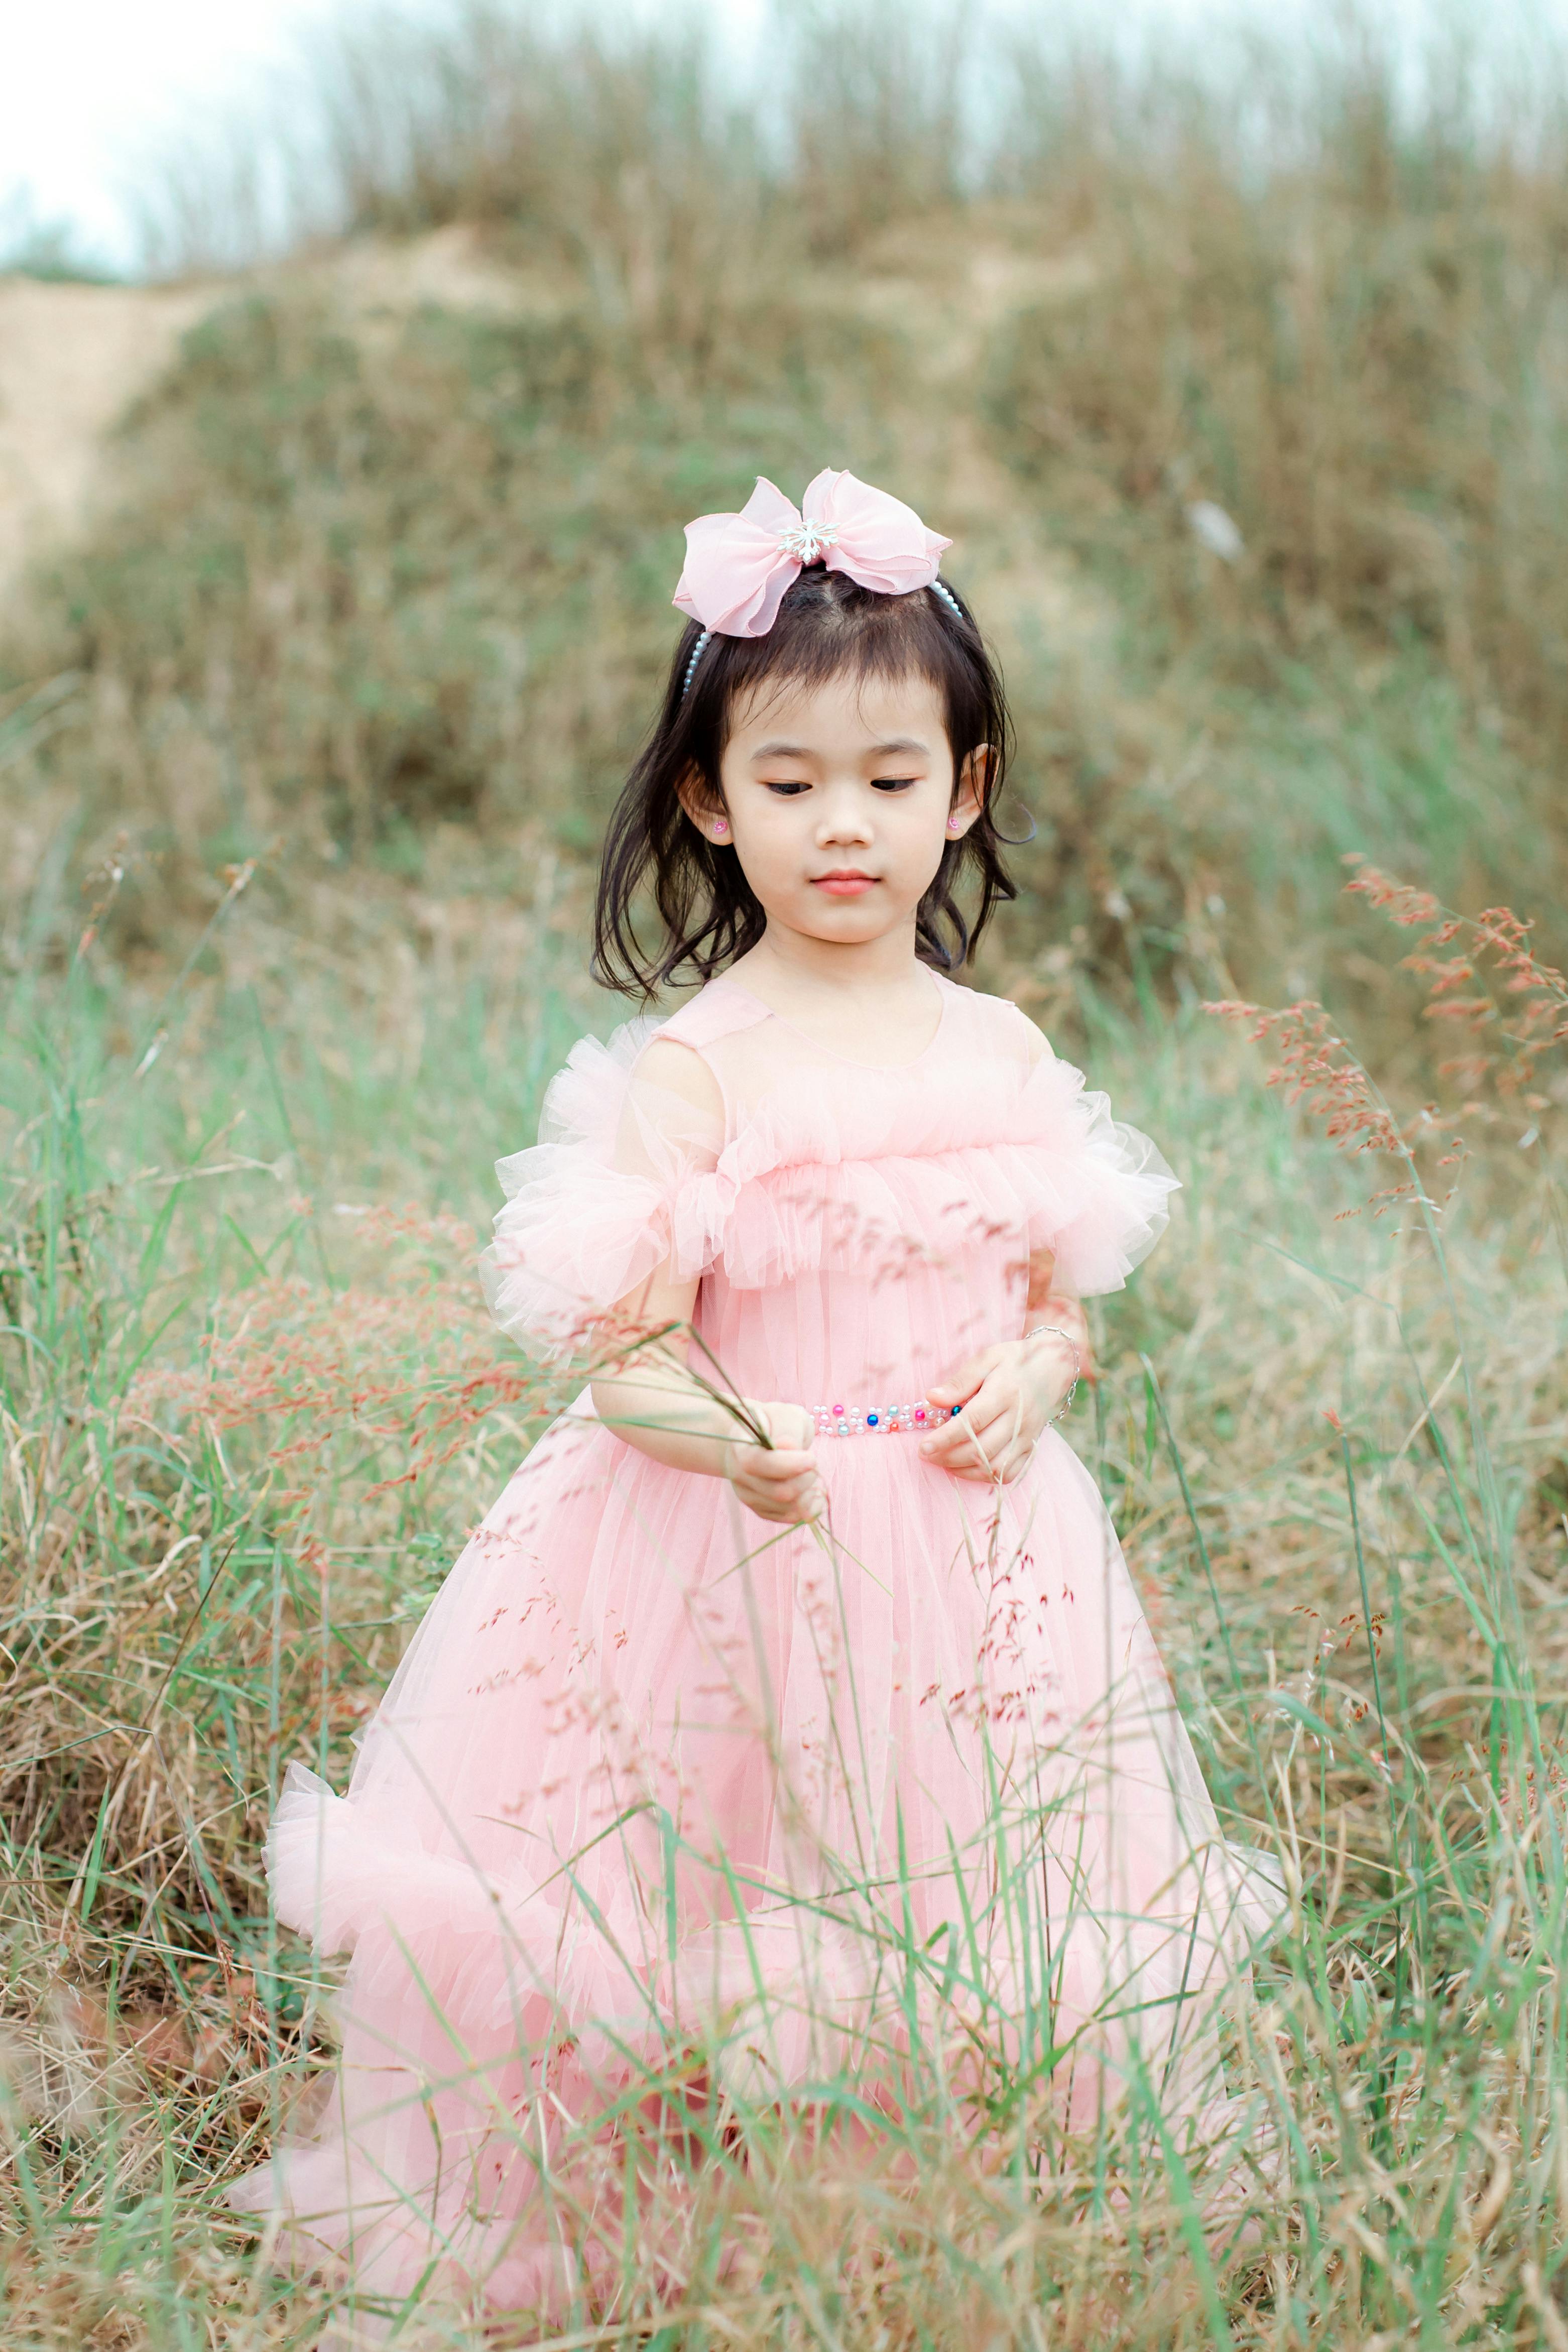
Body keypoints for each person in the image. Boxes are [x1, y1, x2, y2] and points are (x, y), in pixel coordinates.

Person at [230, 470, 1285, 2337]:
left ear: (963, 789)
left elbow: (1058, 1302)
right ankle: (643, 2230)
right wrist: (741, 1446)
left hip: (973, 1555)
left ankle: (907, 2227)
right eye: (788, 783)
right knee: (701, 1892)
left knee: (955, 1889)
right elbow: (623, 1349)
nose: (844, 825)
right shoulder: (702, 1070)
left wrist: (1031, 1375)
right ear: (712, 802)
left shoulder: (999, 1046)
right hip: (714, 1547)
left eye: (891, 779)